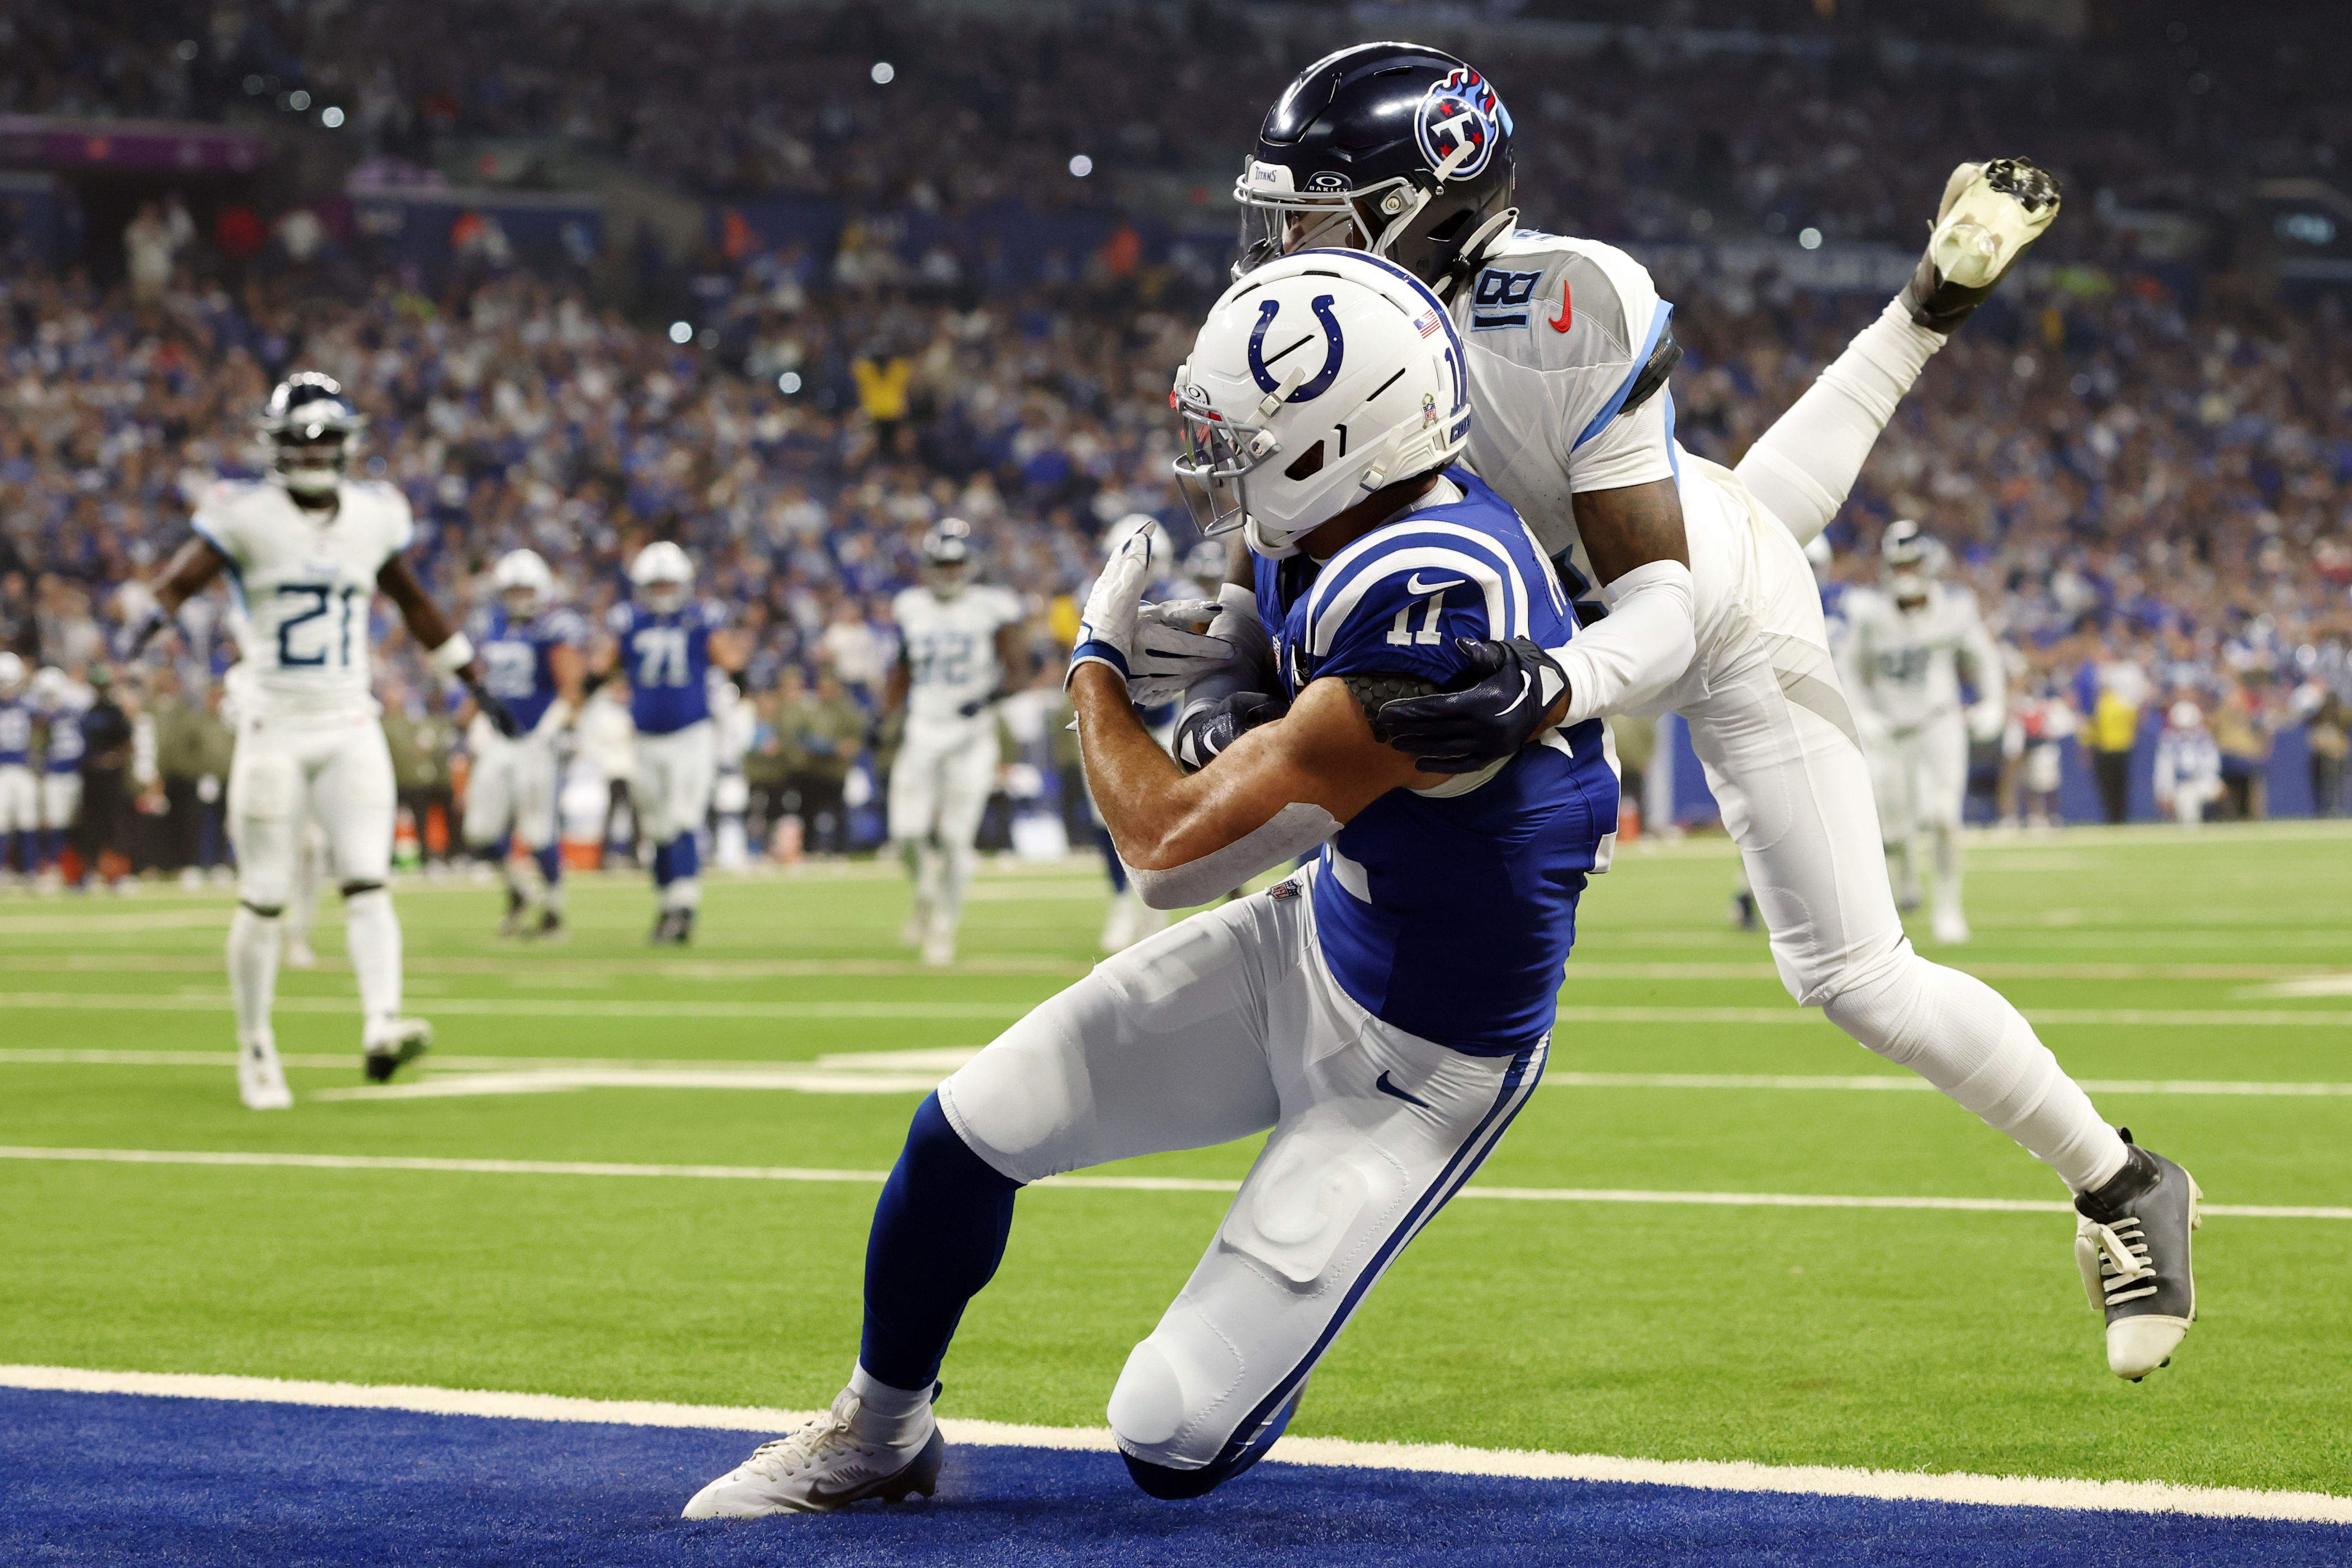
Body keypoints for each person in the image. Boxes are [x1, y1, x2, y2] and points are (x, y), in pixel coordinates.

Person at [1199, 44, 2198, 1382]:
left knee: (1846, 972)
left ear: (1417, 207)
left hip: (1703, 619)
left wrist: (1551, 685)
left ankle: (2119, 1181)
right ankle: (1920, 308)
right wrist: (1218, 664)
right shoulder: (1318, 344)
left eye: (1311, 217)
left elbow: (1662, 610)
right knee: (1738, 509)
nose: (1277, 253)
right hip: (1646, 556)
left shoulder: (1555, 307)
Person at [684, 252, 1618, 1518]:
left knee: (1167, 1430)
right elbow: (1257, 683)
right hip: (1315, 936)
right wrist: (1238, 681)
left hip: (1422, 1057)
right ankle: (880, 1431)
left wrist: (1095, 668)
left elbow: (1164, 849)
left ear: (1337, 443)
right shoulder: (1339, 517)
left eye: (1242, 441)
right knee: (960, 1133)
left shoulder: (1428, 594)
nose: (1214, 468)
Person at [130, 372, 522, 1109]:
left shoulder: (374, 518)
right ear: (275, 446)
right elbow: (182, 579)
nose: (313, 452)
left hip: (349, 719)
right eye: (300, 439)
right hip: (274, 724)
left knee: (370, 880)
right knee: (266, 896)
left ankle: (381, 1022)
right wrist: (151, 616)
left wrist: (476, 681)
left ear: (348, 443)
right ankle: (255, 1049)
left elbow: (415, 604)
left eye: (325, 438)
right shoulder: (244, 516)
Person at [1839, 521, 2005, 944]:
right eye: (1899, 564)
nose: (1906, 572)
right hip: (1890, 732)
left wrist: (1994, 703)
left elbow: (1984, 658)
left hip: (1939, 722)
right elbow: (1848, 670)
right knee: (1892, 832)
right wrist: (1861, 712)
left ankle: (1949, 908)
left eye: (1912, 562)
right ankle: (1908, 877)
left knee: (1945, 817)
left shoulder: (1955, 608)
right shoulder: (1869, 614)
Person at [877, 519, 1029, 966]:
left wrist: (986, 698)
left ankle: (943, 927)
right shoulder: (910, 607)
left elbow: (1018, 671)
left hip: (972, 736)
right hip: (922, 729)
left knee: (955, 839)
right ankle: (925, 889)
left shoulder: (991, 607)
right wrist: (884, 715)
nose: (948, 571)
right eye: (941, 563)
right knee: (905, 834)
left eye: (955, 563)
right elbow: (902, 669)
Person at [598, 542, 747, 944]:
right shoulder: (628, 621)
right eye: (656, 585)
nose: (663, 592)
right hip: (646, 738)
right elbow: (601, 666)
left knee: (683, 819)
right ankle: (667, 904)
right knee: (657, 827)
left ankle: (684, 905)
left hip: (691, 734)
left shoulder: (701, 618)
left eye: (669, 584)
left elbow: (730, 661)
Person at [461, 549, 585, 939]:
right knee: (480, 829)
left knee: (537, 831)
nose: (518, 597)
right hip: (500, 739)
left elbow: (571, 685)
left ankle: (554, 908)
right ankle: (518, 890)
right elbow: (480, 681)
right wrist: (468, 719)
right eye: (512, 590)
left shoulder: (554, 626)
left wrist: (553, 728)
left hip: (537, 740)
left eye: (525, 590)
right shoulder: (489, 624)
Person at [30, 664, 89, 891]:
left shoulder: (75, 710)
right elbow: (36, 747)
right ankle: (55, 868)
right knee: (55, 823)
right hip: (54, 774)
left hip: (74, 772)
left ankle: (76, 871)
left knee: (75, 825)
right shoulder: (39, 716)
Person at [2152, 700, 2221, 826]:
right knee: (2186, 795)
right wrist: (2164, 792)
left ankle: (2191, 831)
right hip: (2180, 786)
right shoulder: (2168, 740)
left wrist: (2212, 782)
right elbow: (2164, 770)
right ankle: (2190, 831)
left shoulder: (2204, 739)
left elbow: (2212, 765)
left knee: (2188, 795)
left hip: (2202, 782)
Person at [0, 653, 34, 882]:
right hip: (2, 768)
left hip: (23, 767)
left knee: (27, 820)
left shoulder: (29, 703)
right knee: (1, 822)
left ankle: (31, 870)